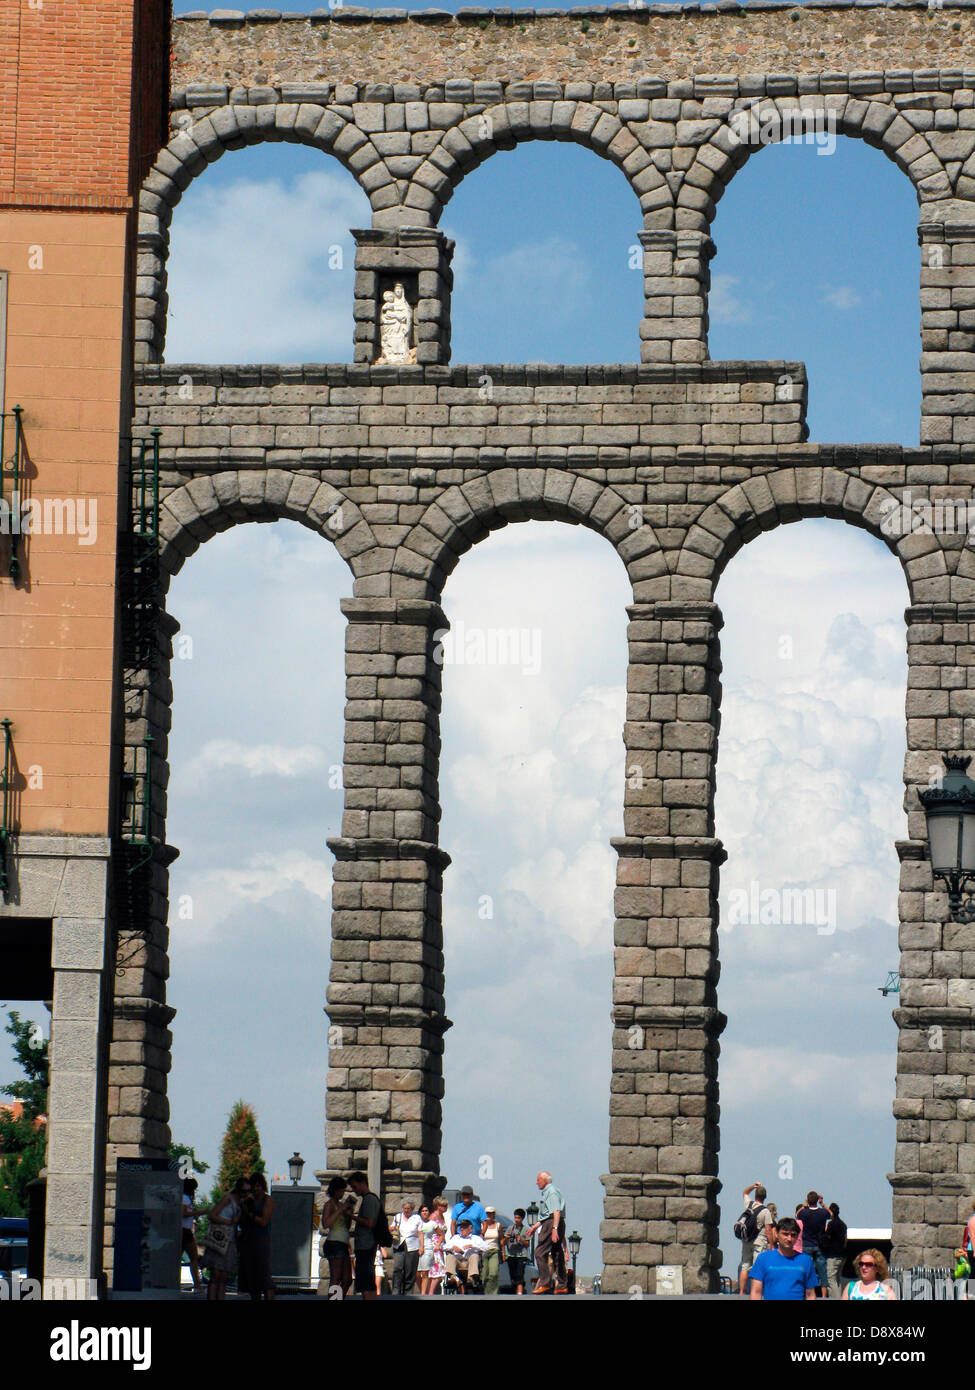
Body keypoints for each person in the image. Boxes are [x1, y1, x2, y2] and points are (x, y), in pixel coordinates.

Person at [749, 1218, 818, 1301]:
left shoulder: (806, 1261)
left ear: (797, 1237)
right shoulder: (763, 1259)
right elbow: (756, 1292)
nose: (789, 1239)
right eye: (785, 1234)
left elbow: (810, 1294)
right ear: (777, 1234)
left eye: (793, 1235)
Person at [203, 1176, 247, 1302]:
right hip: (220, 1238)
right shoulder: (228, 1199)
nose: (245, 1194)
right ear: (238, 1190)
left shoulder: (242, 1204)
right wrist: (229, 1222)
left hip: (231, 1240)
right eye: (243, 1191)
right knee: (216, 1274)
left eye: (247, 1191)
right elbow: (212, 1215)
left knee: (224, 1275)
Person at [527, 1170, 568, 1295]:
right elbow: (547, 1215)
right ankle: (561, 1285)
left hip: (552, 1223)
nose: (536, 1182)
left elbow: (556, 1211)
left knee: (539, 1252)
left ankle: (545, 1283)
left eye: (538, 1179)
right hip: (553, 1222)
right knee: (556, 1253)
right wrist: (534, 1227)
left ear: (545, 1180)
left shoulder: (551, 1192)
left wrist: (554, 1229)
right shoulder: (551, 1192)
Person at [238, 1171, 275, 1301]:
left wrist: (250, 1213)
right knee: (252, 1277)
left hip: (262, 1240)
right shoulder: (249, 1200)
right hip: (249, 1240)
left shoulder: (267, 1200)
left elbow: (264, 1221)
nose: (256, 1189)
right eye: (254, 1186)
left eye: (258, 1186)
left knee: (264, 1275)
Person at [348, 1170, 381, 1301]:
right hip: (365, 1245)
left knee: (366, 1281)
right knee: (364, 1281)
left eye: (355, 1186)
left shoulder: (369, 1200)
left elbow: (369, 1222)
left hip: (366, 1245)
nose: (354, 1190)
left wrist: (351, 1216)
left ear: (362, 1183)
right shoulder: (369, 1199)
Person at [320, 1176, 354, 1298]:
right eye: (340, 1191)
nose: (342, 1193)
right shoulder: (329, 1205)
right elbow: (325, 1223)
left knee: (347, 1279)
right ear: (334, 1190)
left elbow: (347, 1226)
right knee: (336, 1277)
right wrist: (340, 1210)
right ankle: (334, 1298)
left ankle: (338, 1298)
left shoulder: (341, 1205)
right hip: (334, 1243)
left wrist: (349, 1214)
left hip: (343, 1243)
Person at [738, 1182, 773, 1296]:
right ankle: (755, 1291)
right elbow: (768, 1230)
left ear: (755, 1195)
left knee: (745, 1265)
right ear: (765, 1197)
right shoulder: (765, 1211)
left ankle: (742, 1292)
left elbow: (744, 1192)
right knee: (757, 1267)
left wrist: (753, 1186)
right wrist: (771, 1244)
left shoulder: (749, 1204)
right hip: (759, 1241)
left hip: (747, 1239)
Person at [796, 1191, 829, 1298]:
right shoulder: (823, 1213)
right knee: (822, 1272)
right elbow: (831, 1214)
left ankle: (807, 1294)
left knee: (806, 1271)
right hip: (819, 1244)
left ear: (808, 1200)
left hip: (806, 1244)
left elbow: (797, 1215)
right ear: (816, 1200)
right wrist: (822, 1203)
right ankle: (824, 1296)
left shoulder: (804, 1213)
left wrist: (805, 1205)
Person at [390, 1198, 422, 1296]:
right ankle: (396, 1290)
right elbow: (390, 1228)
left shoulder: (416, 1218)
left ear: (412, 1209)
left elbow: (420, 1233)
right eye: (405, 1208)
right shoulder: (398, 1217)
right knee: (398, 1268)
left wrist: (421, 1247)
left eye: (408, 1208)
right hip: (399, 1244)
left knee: (410, 1270)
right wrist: (391, 1229)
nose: (406, 1210)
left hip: (412, 1246)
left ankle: (408, 1291)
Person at [445, 1218, 486, 1293]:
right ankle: (453, 1277)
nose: (462, 1229)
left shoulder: (475, 1238)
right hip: (458, 1261)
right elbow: (444, 1247)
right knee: (450, 1256)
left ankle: (470, 1278)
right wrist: (453, 1247)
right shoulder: (455, 1237)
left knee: (474, 1255)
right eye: (461, 1227)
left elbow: (486, 1248)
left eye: (464, 1227)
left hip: (469, 1262)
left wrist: (472, 1246)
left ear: (470, 1229)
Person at [821, 1202, 848, 1298]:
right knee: (838, 1279)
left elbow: (826, 1238)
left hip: (833, 1255)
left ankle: (835, 1298)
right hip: (842, 1255)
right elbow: (845, 1240)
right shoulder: (843, 1224)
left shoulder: (831, 1224)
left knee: (831, 1279)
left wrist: (825, 1230)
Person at [181, 1178, 203, 1293]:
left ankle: (197, 1283)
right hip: (183, 1231)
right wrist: (197, 1213)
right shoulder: (185, 1198)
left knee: (194, 1258)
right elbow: (184, 1213)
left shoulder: (187, 1198)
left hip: (187, 1230)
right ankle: (197, 1284)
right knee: (193, 1258)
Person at [505, 1208, 531, 1295]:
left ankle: (519, 1291)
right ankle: (517, 1289)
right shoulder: (510, 1228)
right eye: (515, 1217)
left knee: (520, 1273)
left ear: (522, 1218)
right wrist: (507, 1238)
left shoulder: (526, 1229)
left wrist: (521, 1239)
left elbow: (527, 1244)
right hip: (511, 1255)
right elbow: (503, 1243)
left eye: (518, 1218)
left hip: (522, 1255)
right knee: (512, 1274)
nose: (516, 1220)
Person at [480, 1206, 503, 1295]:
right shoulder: (481, 1225)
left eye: (491, 1213)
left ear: (494, 1214)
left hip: (494, 1250)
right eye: (487, 1213)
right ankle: (486, 1292)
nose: (489, 1215)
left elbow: (501, 1240)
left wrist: (503, 1253)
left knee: (494, 1273)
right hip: (484, 1251)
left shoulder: (498, 1225)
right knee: (484, 1274)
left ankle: (493, 1293)